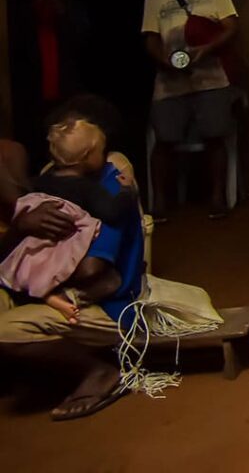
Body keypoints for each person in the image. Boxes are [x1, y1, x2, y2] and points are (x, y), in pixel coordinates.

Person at [0, 98, 146, 421]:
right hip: (60, 283)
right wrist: (23, 227)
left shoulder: (110, 178)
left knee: (3, 330)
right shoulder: (55, 185)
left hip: (105, 299)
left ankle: (99, 372)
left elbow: (92, 269)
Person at [0, 119, 137, 323]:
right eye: (101, 151)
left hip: (33, 255)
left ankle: (44, 295)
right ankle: (63, 296)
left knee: (26, 275)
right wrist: (128, 191)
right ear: (87, 156)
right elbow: (112, 212)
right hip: (63, 255)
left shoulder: (41, 181)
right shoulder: (87, 187)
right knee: (111, 281)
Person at [141, 0, 239, 219]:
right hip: (169, 79)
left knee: (215, 135)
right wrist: (166, 61)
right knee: (164, 139)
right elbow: (150, 39)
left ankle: (218, 198)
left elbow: (231, 27)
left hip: (210, 75)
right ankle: (159, 202)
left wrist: (205, 49)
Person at [14, 0, 90, 158]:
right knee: (34, 147)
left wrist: (56, 3)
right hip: (31, 95)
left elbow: (82, 40)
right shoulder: (20, 12)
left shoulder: (73, 10)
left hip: (68, 92)